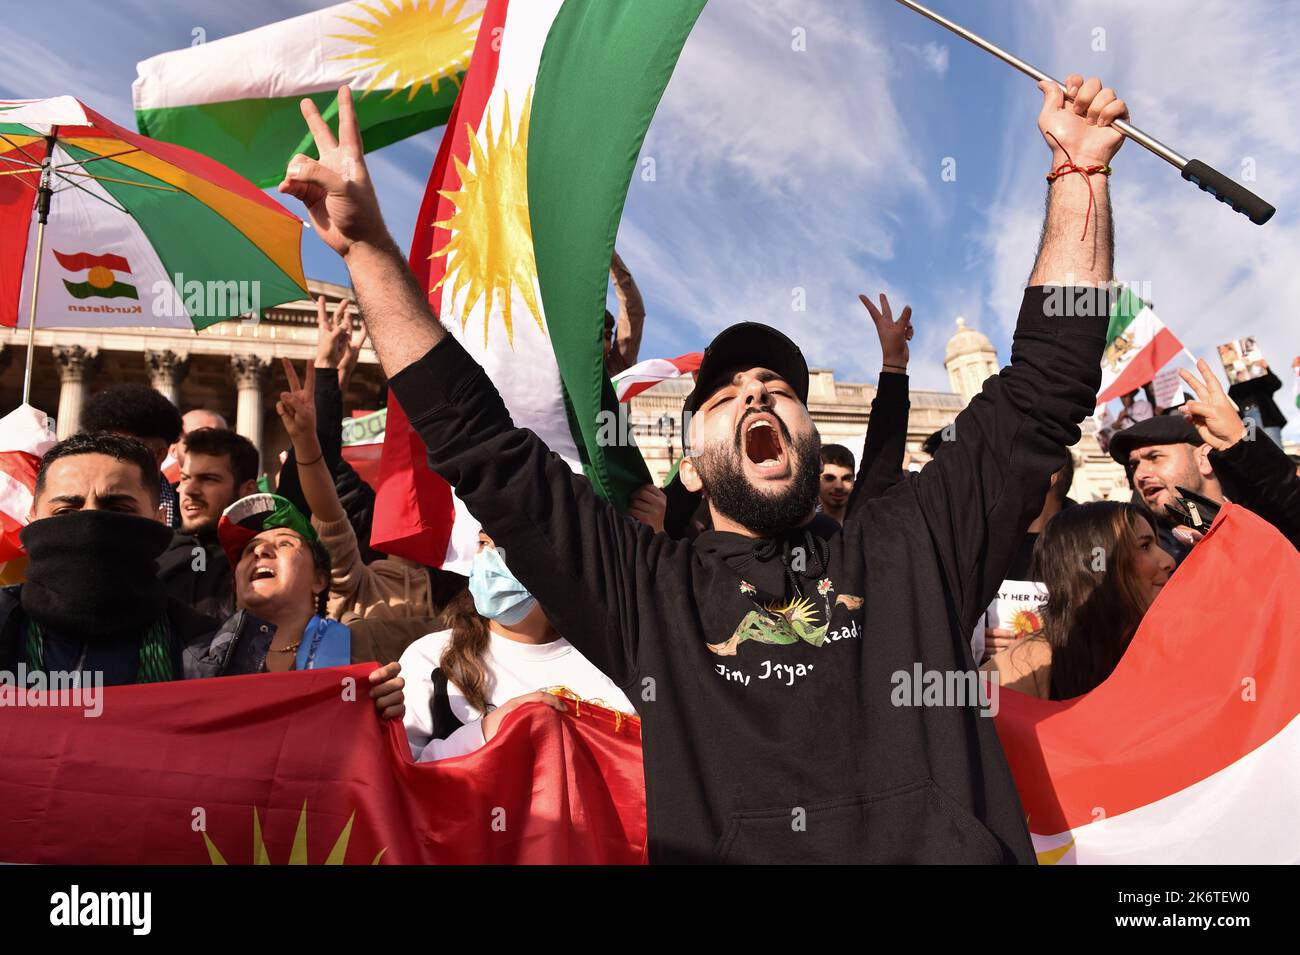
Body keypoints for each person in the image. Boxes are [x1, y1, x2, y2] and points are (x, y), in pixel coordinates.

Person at [279, 72, 1129, 863]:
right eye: (725, 396)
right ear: (688, 463)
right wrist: (367, 253)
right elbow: (479, 445)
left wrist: (1079, 179)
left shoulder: (914, 546)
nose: (758, 396)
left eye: (777, 388)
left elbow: (1047, 384)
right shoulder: (645, 593)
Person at [0, 432, 219, 685]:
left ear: (160, 521)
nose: (90, 523)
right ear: (32, 519)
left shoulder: (210, 651)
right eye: (66, 511)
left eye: (117, 509)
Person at [401, 533, 635, 762]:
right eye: (483, 543)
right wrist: (487, 733)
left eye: (506, 544)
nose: (488, 558)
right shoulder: (430, 658)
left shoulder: (616, 664)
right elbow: (403, 779)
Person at [185, 492, 405, 720]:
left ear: (319, 580)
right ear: (236, 589)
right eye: (249, 550)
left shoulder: (369, 640)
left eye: (285, 543)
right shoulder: (198, 660)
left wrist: (393, 714)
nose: (260, 552)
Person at [981, 502, 1175, 699]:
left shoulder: (1177, 642)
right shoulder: (1022, 668)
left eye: (1157, 545)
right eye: (1144, 546)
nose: (1169, 561)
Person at [1178, 359, 1300, 549]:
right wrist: (1235, 440)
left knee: (1274, 452)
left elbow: (1275, 384)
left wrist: (1264, 369)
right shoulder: (1237, 387)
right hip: (1248, 427)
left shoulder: (1260, 381)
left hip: (1263, 423)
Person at [976, 456, 1073, 663]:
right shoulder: (979, 542)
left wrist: (1044, 647)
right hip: (990, 684)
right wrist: (975, 641)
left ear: (1050, 476)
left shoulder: (1087, 544)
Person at [157, 427, 260, 619]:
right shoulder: (153, 553)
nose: (189, 490)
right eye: (185, 478)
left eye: (208, 479)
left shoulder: (264, 559)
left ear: (248, 489)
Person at [1108, 414, 1224, 564]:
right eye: (1134, 465)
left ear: (1204, 458)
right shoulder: (1143, 560)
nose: (1139, 475)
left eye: (1154, 457)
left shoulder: (1258, 512)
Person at [80, 384, 184, 528]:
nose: (108, 457)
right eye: (102, 446)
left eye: (121, 449)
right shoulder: (74, 505)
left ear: (159, 454)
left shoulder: (190, 512)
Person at [603, 250, 646, 376]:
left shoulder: (614, 370)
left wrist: (609, 254)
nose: (603, 344)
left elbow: (634, 313)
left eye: (607, 336)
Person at [818, 445, 855, 524]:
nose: (839, 486)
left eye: (846, 478)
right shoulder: (803, 525)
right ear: (815, 480)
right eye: (829, 478)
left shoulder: (865, 522)